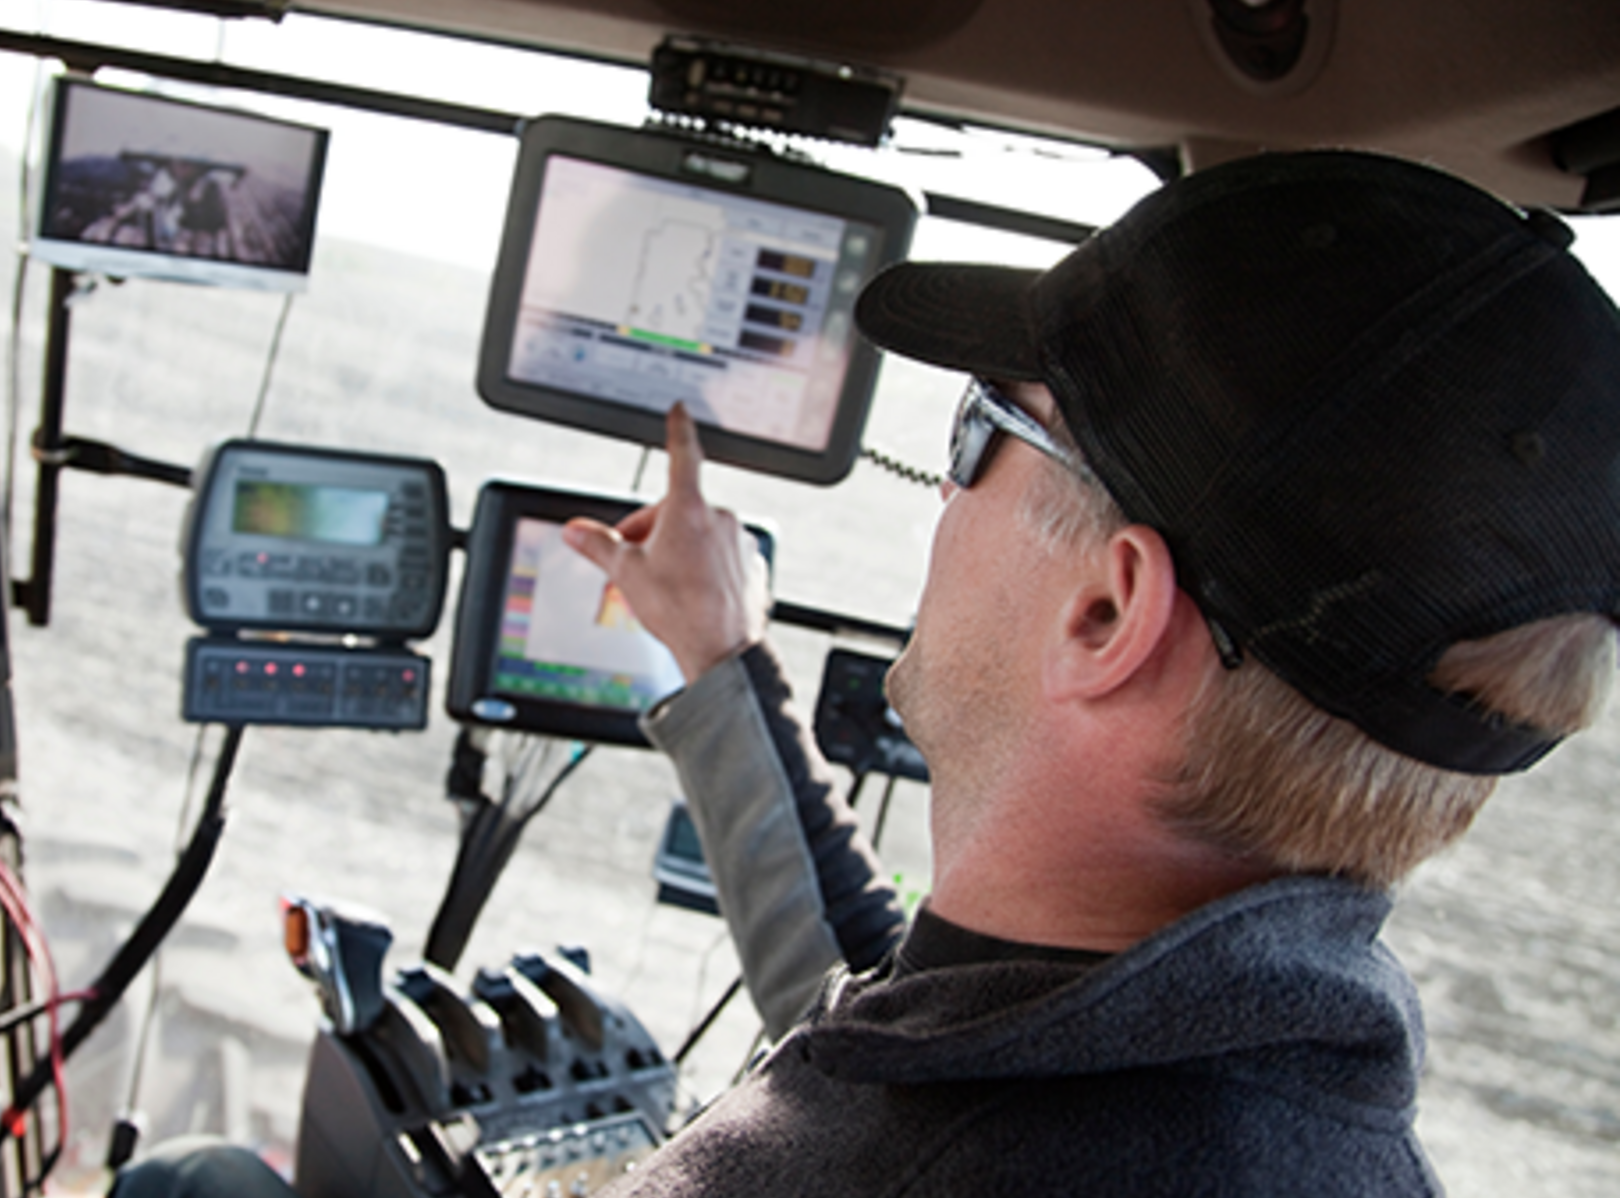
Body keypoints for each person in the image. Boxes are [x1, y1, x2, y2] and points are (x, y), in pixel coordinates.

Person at [559, 149, 1620, 1194]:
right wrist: (722, 660)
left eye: (983, 428)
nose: (943, 492)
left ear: (1106, 610)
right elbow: (901, 1027)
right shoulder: (1282, 1094)